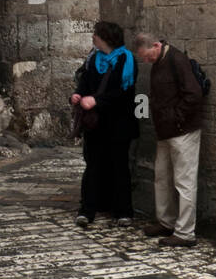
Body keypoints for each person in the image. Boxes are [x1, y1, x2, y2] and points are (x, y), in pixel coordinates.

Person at [134, 33, 204, 247]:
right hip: (165, 132)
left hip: (182, 131)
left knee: (184, 182)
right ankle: (166, 222)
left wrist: (176, 117)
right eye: (144, 59)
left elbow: (194, 94)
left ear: (156, 45)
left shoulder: (177, 60)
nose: (147, 61)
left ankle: (185, 233)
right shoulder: (159, 61)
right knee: (162, 178)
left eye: (148, 56)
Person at [70, 21, 139, 228]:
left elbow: (123, 93)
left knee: (119, 166)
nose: (93, 37)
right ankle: (87, 209)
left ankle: (123, 211)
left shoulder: (126, 60)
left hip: (119, 123)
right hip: (95, 124)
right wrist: (78, 95)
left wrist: (97, 101)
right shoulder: (93, 58)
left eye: (96, 34)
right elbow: (84, 82)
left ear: (106, 38)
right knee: (93, 166)